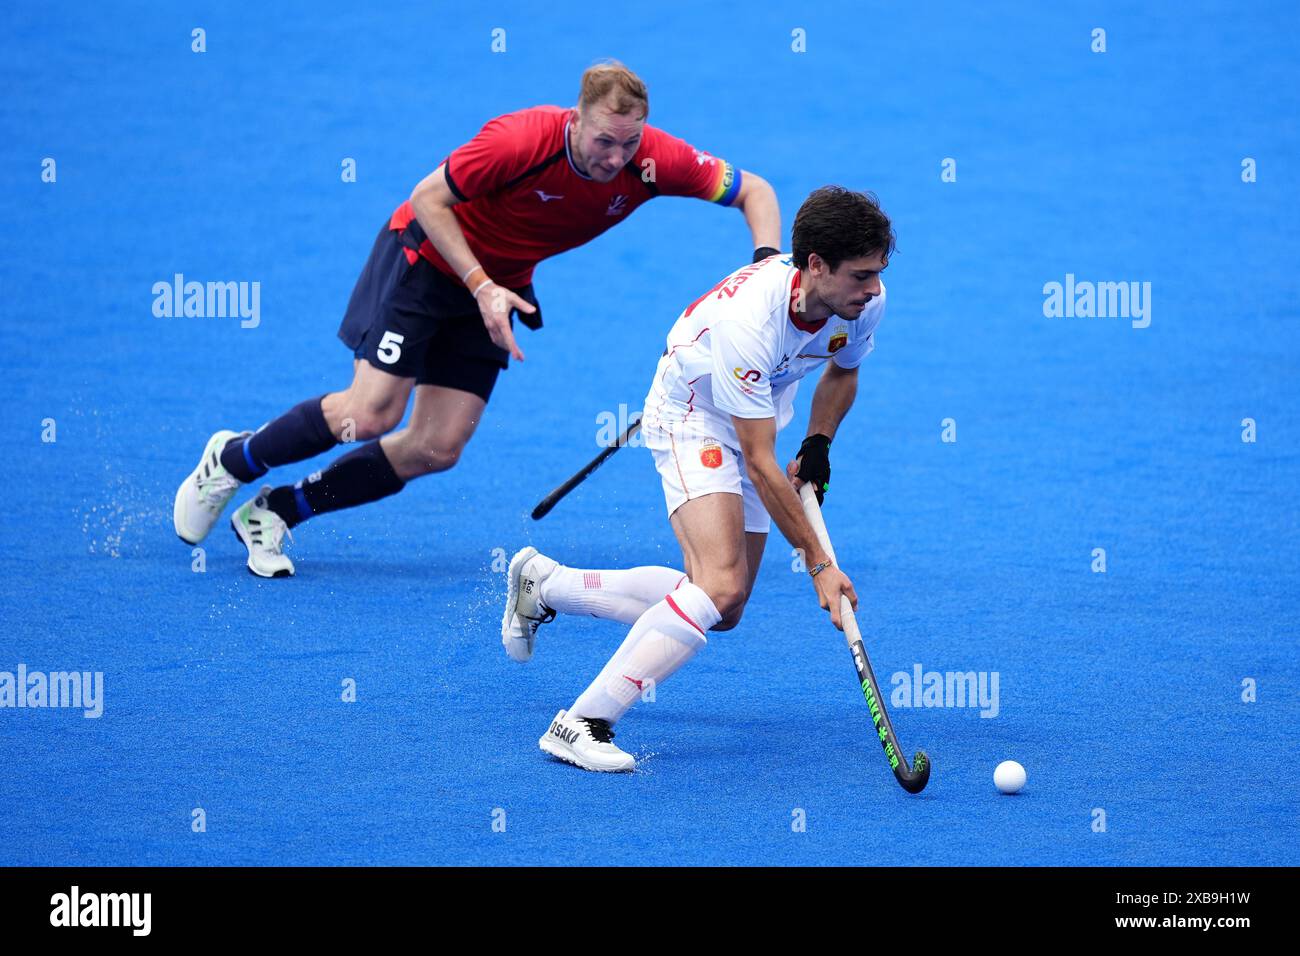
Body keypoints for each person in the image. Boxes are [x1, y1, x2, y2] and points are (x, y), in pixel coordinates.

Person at [172, 61, 781, 577]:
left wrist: (761, 272)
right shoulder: (519, 143)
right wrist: (479, 284)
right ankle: (233, 460)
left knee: (437, 447)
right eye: (604, 142)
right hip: (428, 260)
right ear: (576, 121)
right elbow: (428, 198)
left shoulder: (652, 161)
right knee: (370, 412)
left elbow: (756, 190)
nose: (617, 157)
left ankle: (276, 510)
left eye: (629, 142)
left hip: (501, 288)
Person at [500, 186, 894, 771]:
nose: (873, 288)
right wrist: (819, 564)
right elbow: (760, 465)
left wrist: (818, 444)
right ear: (816, 266)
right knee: (719, 586)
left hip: (755, 411)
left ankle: (546, 585)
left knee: (723, 607)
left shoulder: (864, 302)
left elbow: (842, 371)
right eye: (861, 275)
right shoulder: (750, 324)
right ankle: (582, 721)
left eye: (878, 273)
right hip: (691, 414)